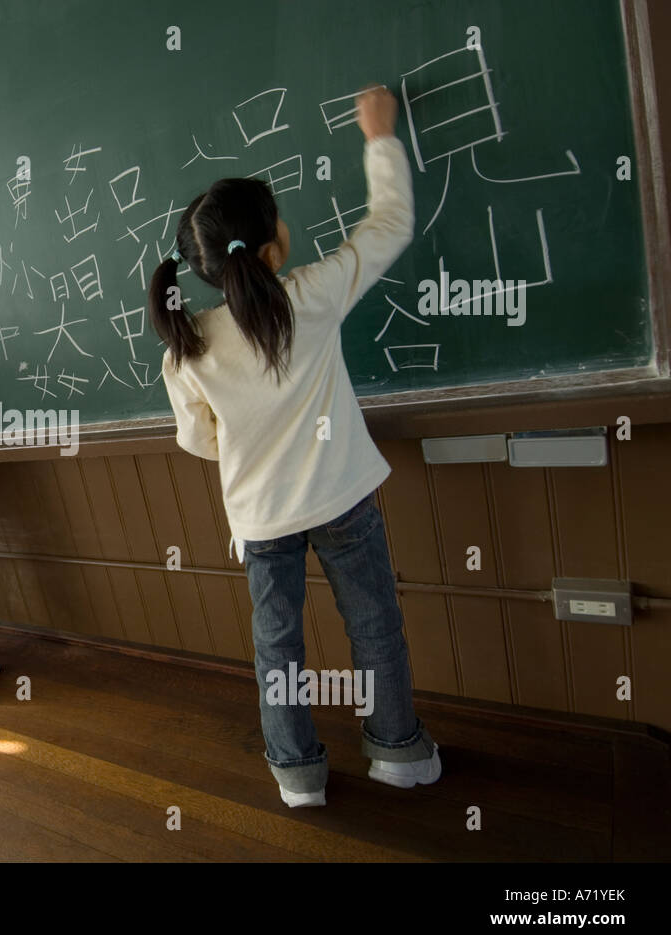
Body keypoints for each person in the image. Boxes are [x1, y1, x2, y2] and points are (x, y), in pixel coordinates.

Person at [151, 86, 440, 807]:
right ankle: (397, 751)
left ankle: (297, 774)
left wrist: (245, 441)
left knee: (277, 646)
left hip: (261, 519)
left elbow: (196, 439)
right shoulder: (308, 295)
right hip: (341, 497)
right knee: (373, 623)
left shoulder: (187, 347)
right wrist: (379, 136)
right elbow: (392, 222)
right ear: (273, 245)